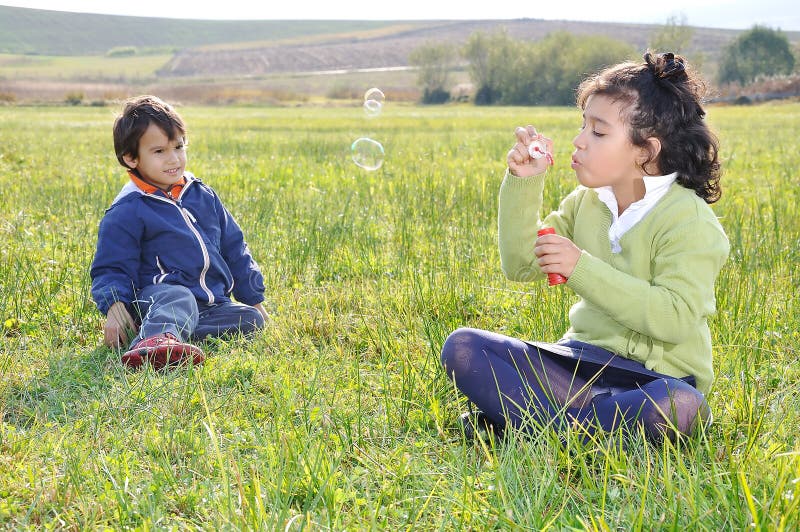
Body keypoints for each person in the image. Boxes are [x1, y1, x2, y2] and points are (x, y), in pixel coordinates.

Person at [440, 52, 730, 444]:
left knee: (681, 406)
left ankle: (531, 427)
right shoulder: (586, 202)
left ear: (645, 151)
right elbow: (521, 264)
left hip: (655, 379)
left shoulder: (689, 221)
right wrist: (524, 181)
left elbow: (674, 318)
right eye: (583, 126)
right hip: (579, 368)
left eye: (598, 132)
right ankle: (575, 432)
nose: (578, 141)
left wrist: (581, 268)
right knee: (463, 348)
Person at [91, 95, 269, 369]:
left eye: (178, 146)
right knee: (178, 297)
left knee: (251, 320)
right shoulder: (128, 208)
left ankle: (173, 337)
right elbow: (111, 267)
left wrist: (254, 300)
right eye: (159, 151)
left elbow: (234, 248)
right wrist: (115, 308)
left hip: (208, 305)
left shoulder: (202, 195)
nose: (173, 159)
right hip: (157, 300)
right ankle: (153, 341)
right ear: (131, 158)